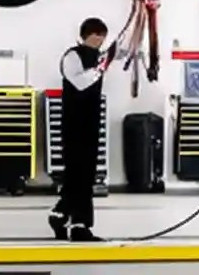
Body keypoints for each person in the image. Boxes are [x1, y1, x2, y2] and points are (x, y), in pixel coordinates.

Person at [49, 17, 116, 242]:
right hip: (73, 123)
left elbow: (126, 50)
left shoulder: (100, 57)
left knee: (86, 175)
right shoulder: (72, 56)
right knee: (76, 173)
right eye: (98, 35)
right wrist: (100, 68)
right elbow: (79, 83)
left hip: (91, 121)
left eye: (103, 36)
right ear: (88, 34)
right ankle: (76, 224)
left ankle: (65, 217)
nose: (100, 40)